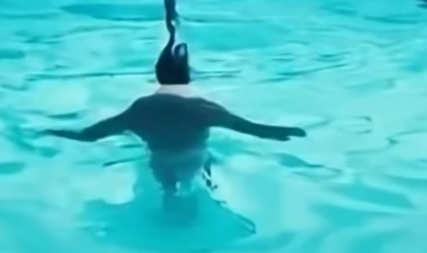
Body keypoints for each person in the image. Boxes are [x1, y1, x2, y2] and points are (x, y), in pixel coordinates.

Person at [46, 32, 306, 194]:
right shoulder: (202, 109)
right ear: (188, 78)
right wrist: (285, 132)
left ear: (158, 76)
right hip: (194, 156)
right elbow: (254, 130)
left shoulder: (140, 109)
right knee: (197, 181)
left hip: (160, 159)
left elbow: (90, 135)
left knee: (167, 191)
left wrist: (51, 130)